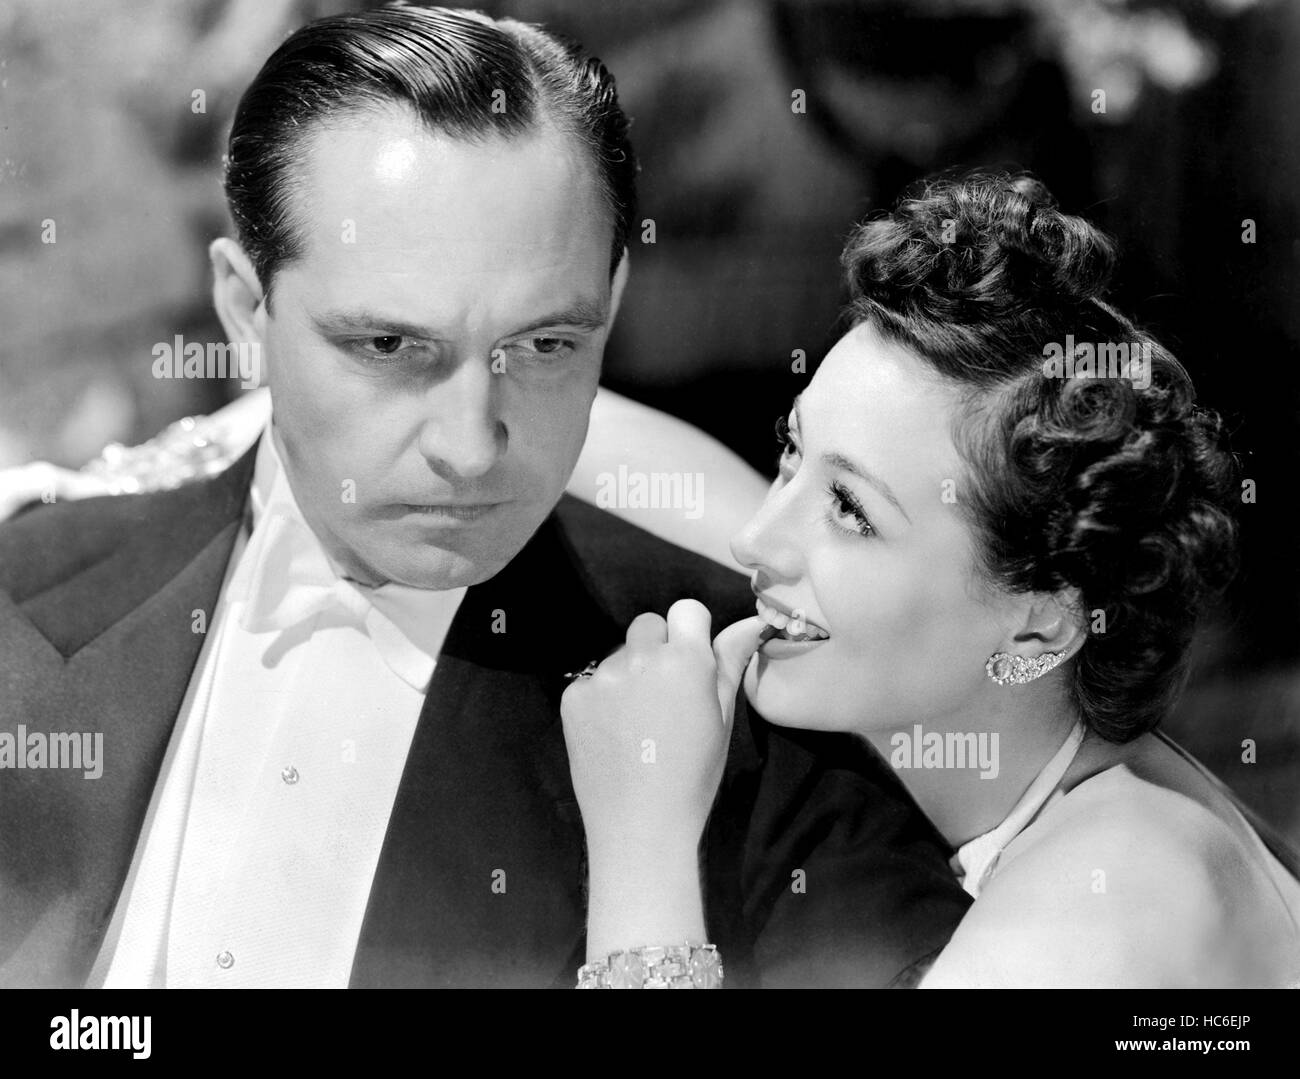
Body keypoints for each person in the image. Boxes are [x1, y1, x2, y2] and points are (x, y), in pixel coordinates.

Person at [0, 5, 969, 989]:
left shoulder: (756, 722)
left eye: (546, 345)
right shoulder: (20, 590)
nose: (471, 449)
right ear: (247, 311)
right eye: (389, 346)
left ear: (612, 302)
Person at [561, 172, 1300, 988]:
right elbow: (603, 451)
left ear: (1040, 625)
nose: (757, 537)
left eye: (848, 507)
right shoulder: (950, 661)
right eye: (790, 450)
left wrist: (642, 837)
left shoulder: (1101, 919)